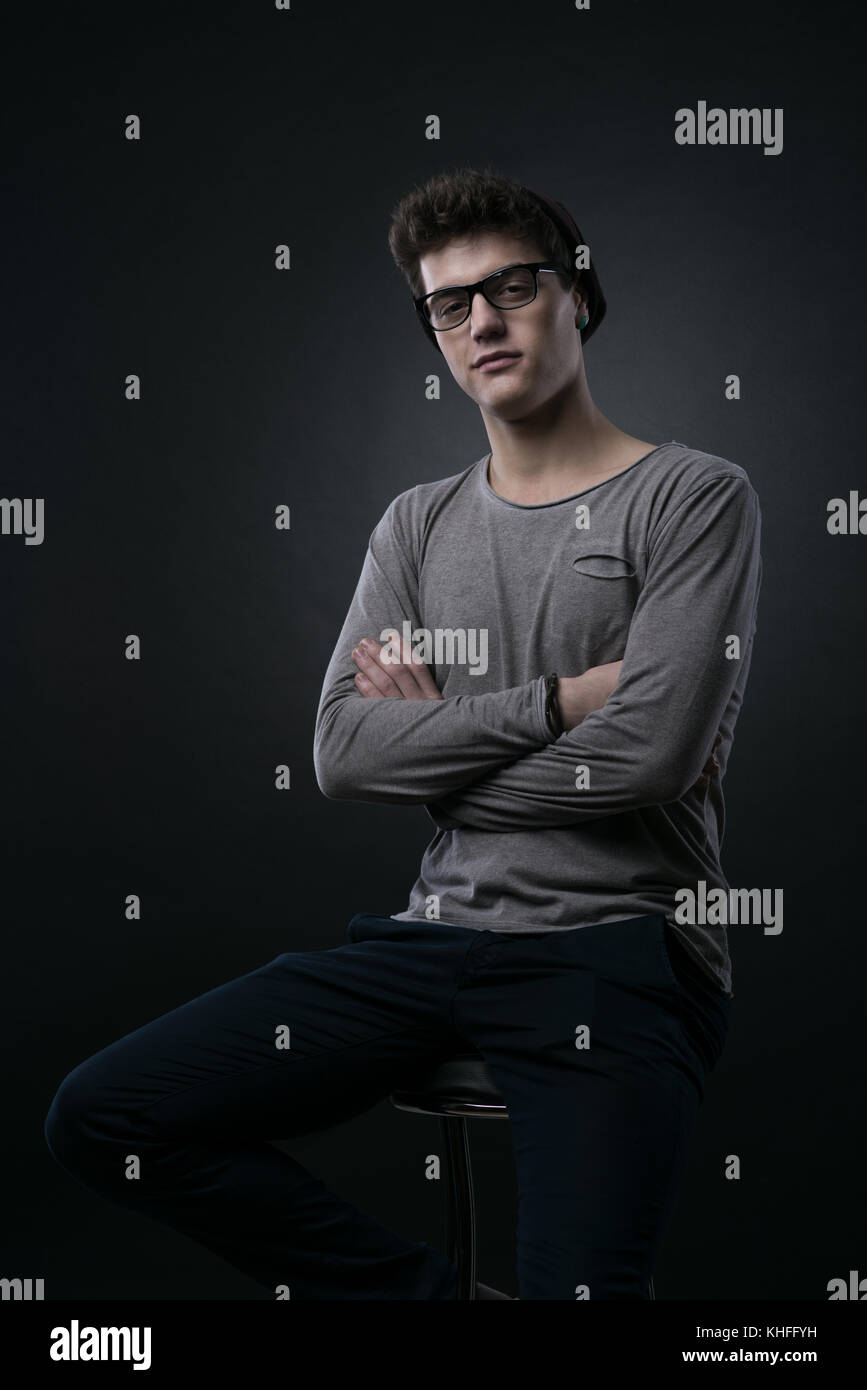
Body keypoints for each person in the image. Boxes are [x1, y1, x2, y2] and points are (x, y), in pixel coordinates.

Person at [44, 165, 762, 1300]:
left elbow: (653, 758)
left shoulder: (692, 498)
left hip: (617, 955)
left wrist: (438, 745)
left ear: (578, 293)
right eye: (447, 303)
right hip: (428, 944)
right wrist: (562, 702)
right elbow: (342, 753)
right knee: (106, 1114)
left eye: (511, 287)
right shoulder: (416, 524)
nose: (480, 321)